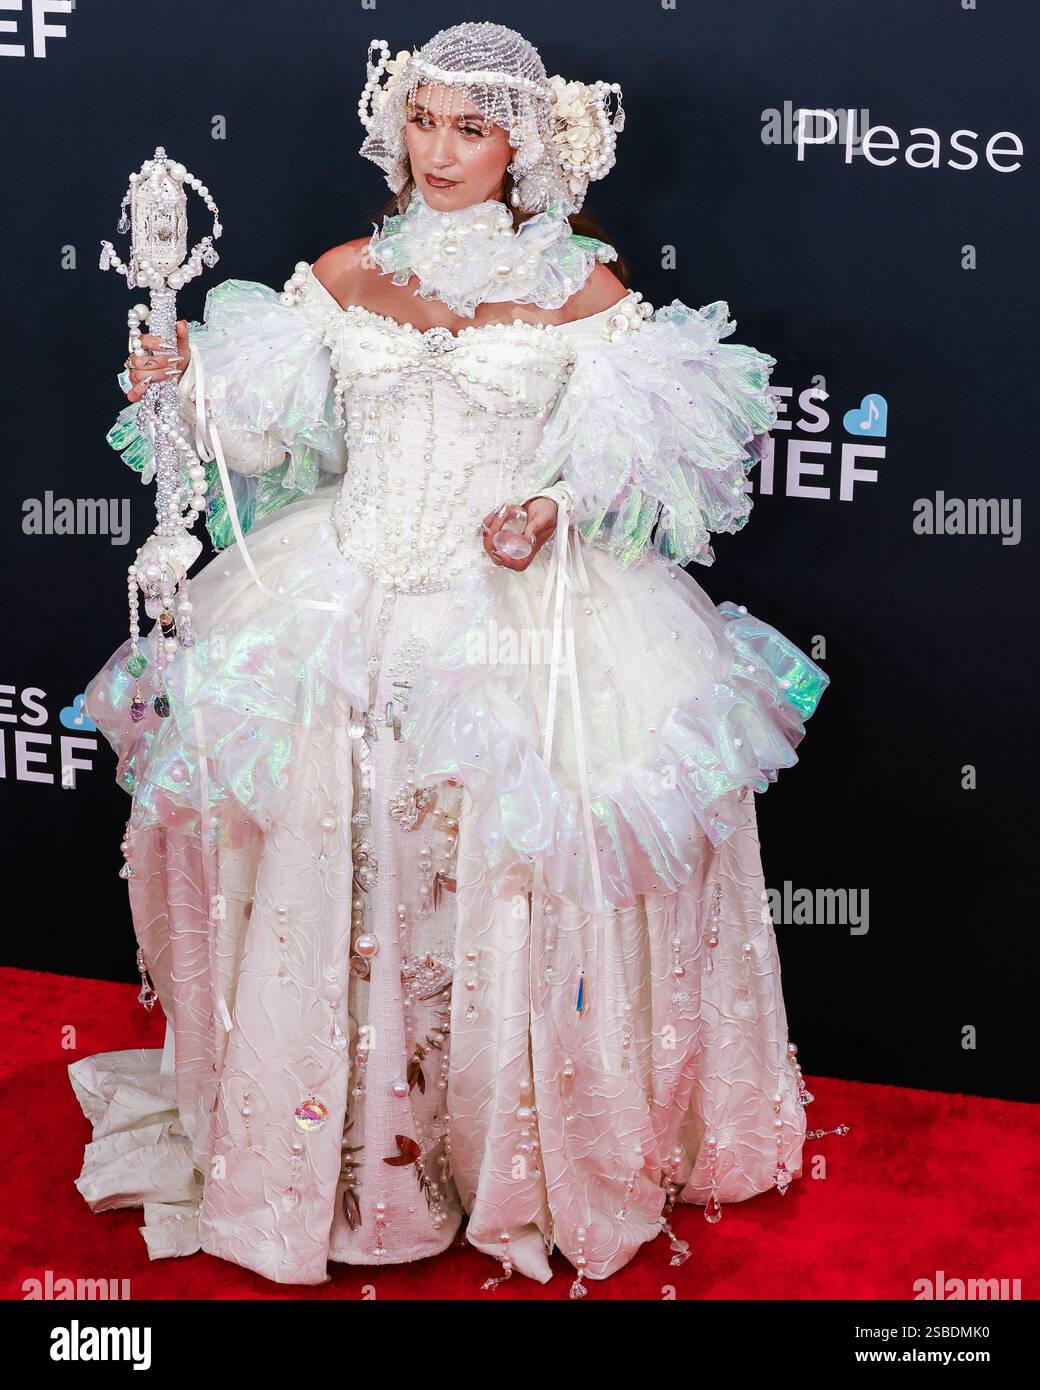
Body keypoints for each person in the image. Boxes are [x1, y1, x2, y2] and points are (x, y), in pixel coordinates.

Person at [69, 21, 830, 1293]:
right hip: (341, 602)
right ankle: (347, 1154)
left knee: (505, 876)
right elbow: (259, 450)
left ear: (525, 144)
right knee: (344, 862)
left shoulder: (587, 292)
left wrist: (550, 508)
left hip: (519, 626)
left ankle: (504, 1155)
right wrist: (182, 387)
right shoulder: (343, 274)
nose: (440, 151)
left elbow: (636, 470)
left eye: (471, 128)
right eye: (423, 120)